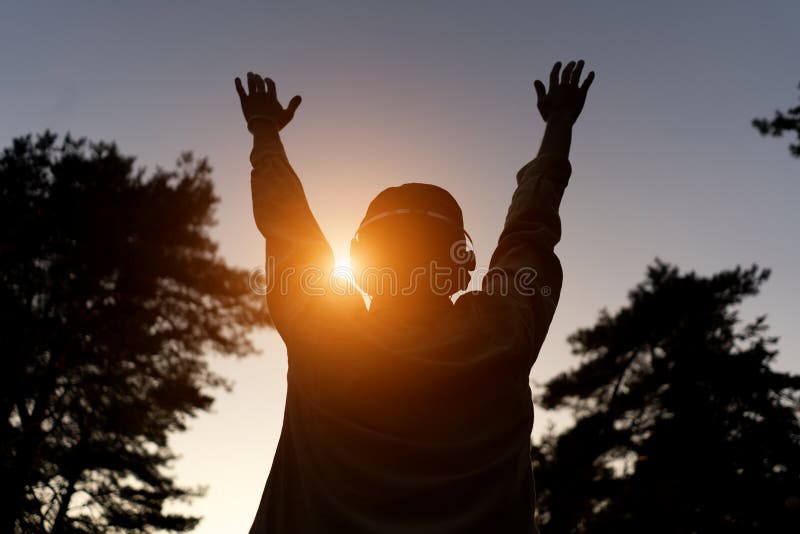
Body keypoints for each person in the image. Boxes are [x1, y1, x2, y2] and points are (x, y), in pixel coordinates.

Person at [236, 60, 594, 534]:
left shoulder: (322, 332)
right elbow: (531, 230)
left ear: (362, 259)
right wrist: (558, 127)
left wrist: (265, 132)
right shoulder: (504, 329)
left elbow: (288, 227)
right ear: (462, 262)